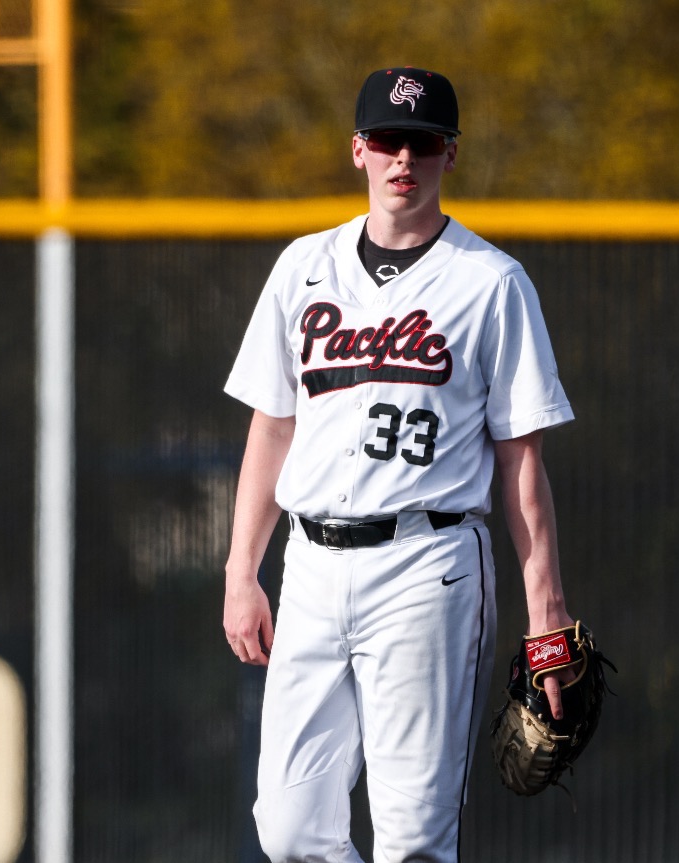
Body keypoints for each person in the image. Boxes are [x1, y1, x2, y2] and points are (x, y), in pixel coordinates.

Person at [221, 66, 582, 862]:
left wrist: (547, 618)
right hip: (310, 563)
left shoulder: (491, 283)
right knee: (287, 830)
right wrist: (241, 568)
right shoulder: (302, 267)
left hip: (430, 564)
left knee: (413, 839)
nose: (402, 160)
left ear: (450, 154)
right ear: (357, 149)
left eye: (422, 143)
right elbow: (271, 427)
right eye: (387, 141)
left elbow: (522, 463)